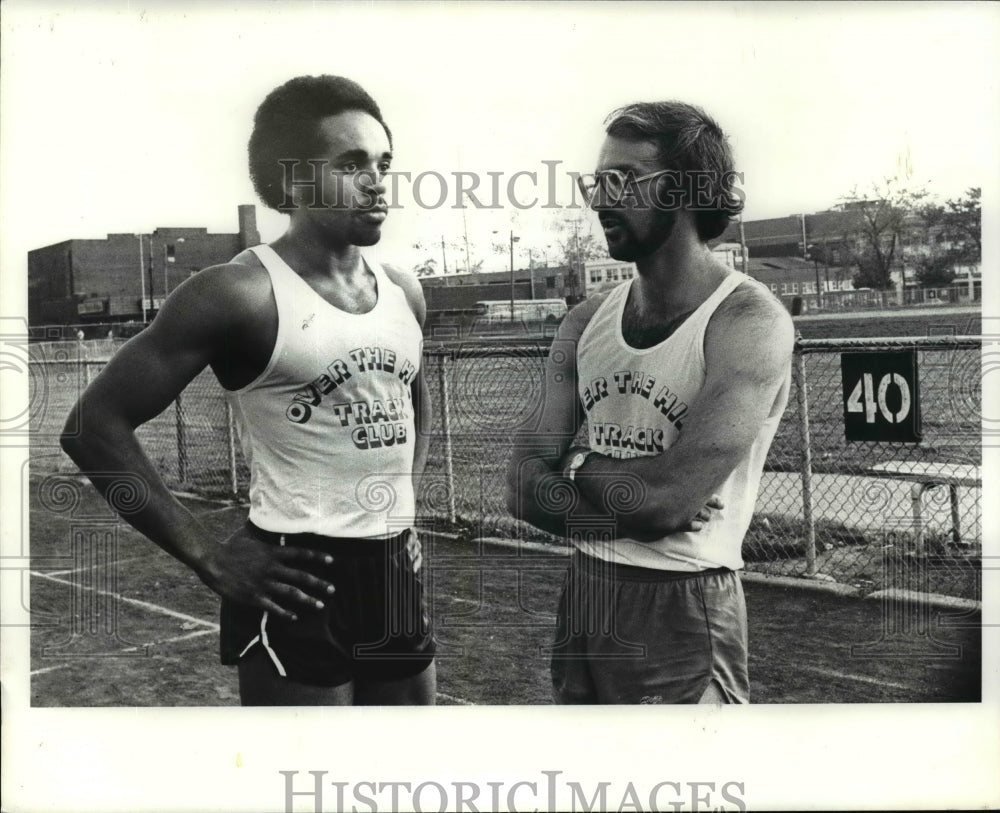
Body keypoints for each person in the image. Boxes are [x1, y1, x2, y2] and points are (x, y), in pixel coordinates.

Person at [61, 75, 435, 705]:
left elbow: (411, 399)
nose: (377, 182)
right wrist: (208, 555)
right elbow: (92, 426)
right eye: (350, 164)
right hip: (296, 575)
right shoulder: (238, 293)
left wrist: (406, 504)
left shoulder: (404, 291)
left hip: (395, 568)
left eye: (383, 163)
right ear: (292, 181)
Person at [506, 101, 793, 704]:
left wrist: (576, 468)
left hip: (683, 599)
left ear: (688, 189)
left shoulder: (746, 320)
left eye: (623, 180)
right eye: (596, 182)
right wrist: (621, 497)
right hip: (585, 592)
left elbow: (665, 502)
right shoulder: (586, 321)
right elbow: (521, 491)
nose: (599, 200)